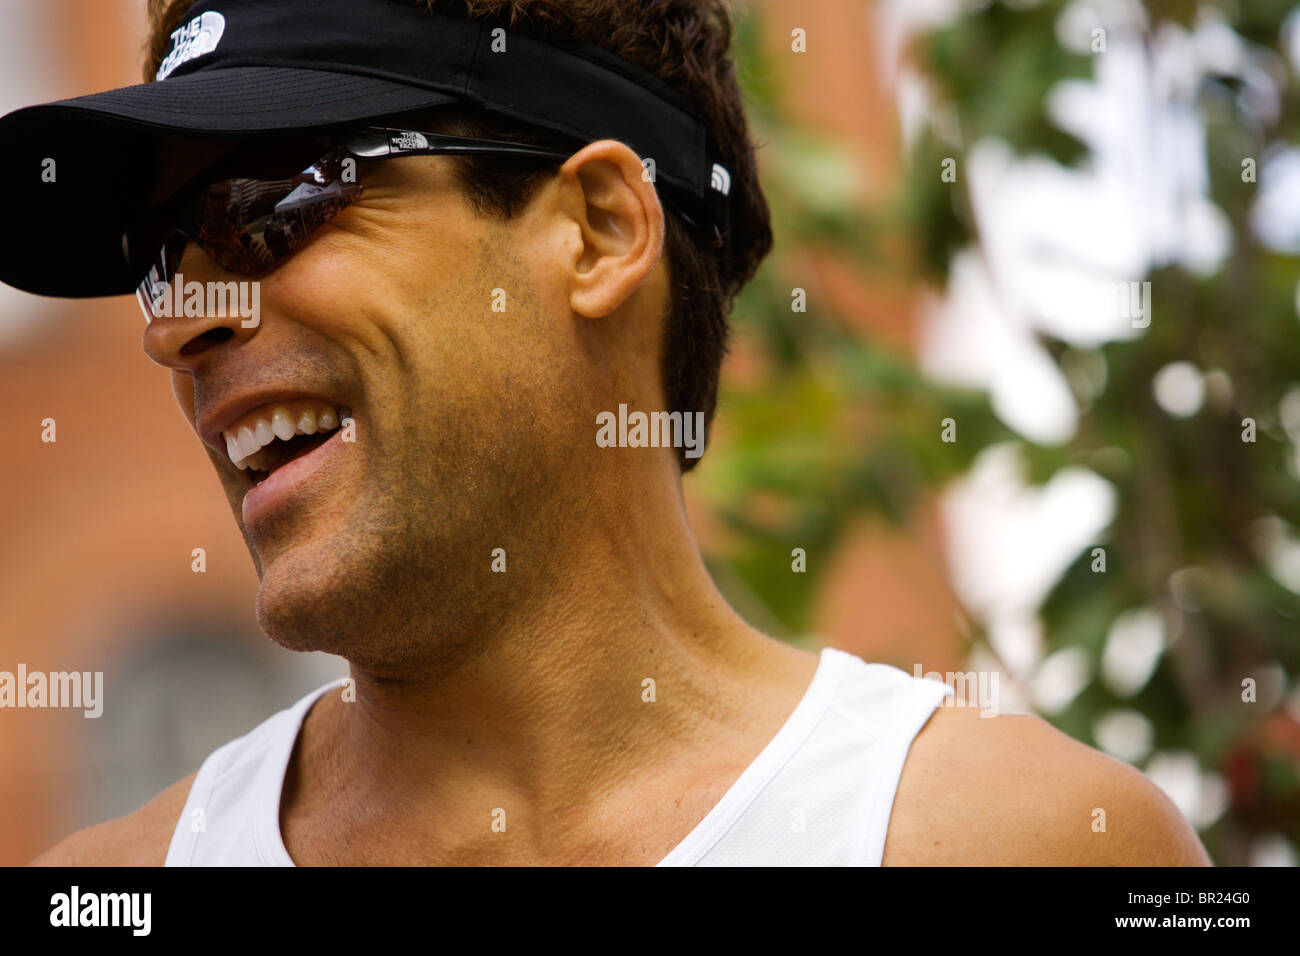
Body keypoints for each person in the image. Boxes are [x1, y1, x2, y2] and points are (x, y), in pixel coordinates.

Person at [5, 0, 1209, 866]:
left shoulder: (1017, 841)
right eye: (164, 259)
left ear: (594, 229)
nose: (177, 328)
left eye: (266, 208)